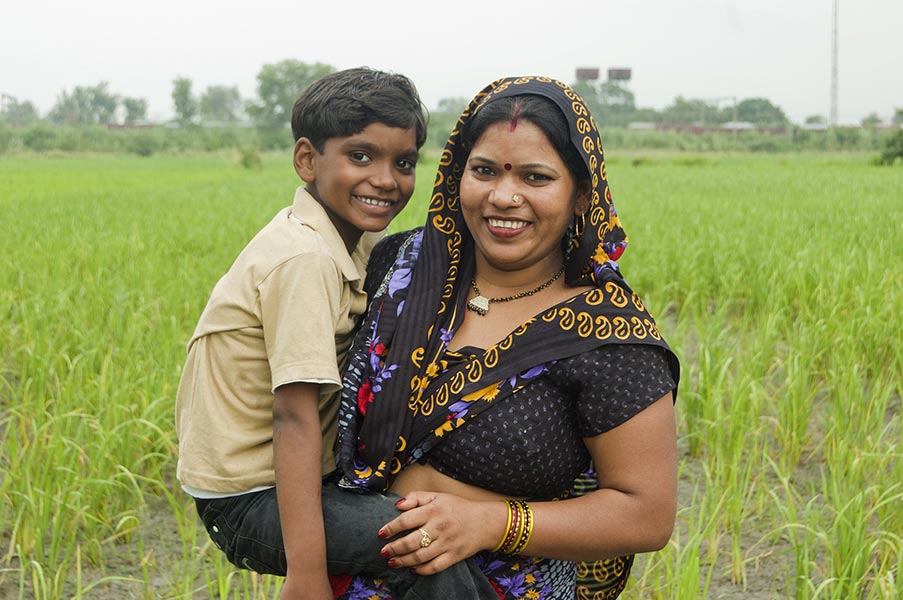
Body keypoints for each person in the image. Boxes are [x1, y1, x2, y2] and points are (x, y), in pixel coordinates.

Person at [334, 75, 681, 599]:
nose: (503, 196)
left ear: (581, 194)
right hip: (350, 566)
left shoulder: (611, 335)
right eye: (485, 170)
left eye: (536, 177)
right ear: (457, 174)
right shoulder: (404, 266)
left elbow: (646, 514)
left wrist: (490, 523)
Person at [174, 66, 449, 599]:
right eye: (361, 156)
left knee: (454, 514)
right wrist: (306, 575)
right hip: (249, 497)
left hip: (298, 477)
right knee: (430, 543)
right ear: (307, 160)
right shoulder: (303, 259)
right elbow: (294, 416)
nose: (387, 179)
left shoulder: (357, 241)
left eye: (405, 162)